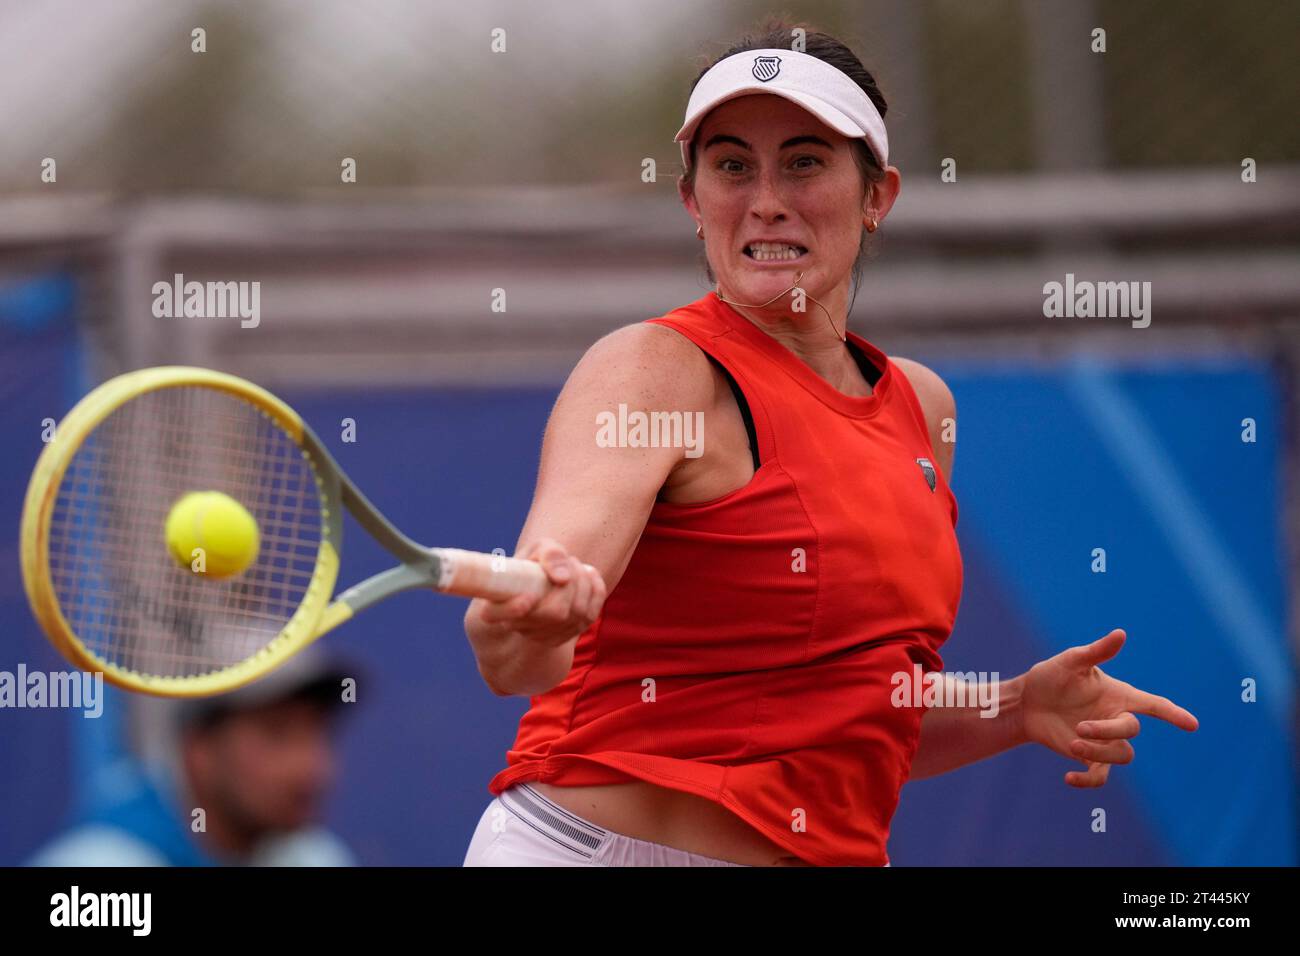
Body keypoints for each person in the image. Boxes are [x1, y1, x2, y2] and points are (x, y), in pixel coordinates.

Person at [461, 19, 1198, 867]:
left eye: (804, 162)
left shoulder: (921, 408)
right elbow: (527, 638)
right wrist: (523, 625)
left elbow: (855, 714)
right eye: (732, 166)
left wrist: (1018, 706)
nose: (765, 198)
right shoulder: (653, 369)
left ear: (878, 195)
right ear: (693, 201)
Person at [29, 650, 356, 866]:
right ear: (198, 749)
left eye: (318, 734)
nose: (314, 769)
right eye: (277, 734)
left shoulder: (315, 856)